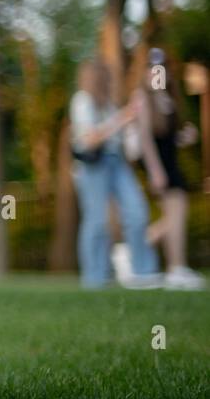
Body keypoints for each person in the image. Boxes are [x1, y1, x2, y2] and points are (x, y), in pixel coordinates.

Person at [69, 59, 161, 288]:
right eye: (106, 78)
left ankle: (143, 272)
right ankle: (94, 279)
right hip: (92, 167)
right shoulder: (82, 101)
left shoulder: (108, 104)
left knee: (137, 211)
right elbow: (90, 140)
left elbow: (120, 140)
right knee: (97, 222)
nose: (109, 83)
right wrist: (123, 118)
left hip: (116, 162)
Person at [132, 48, 204, 290]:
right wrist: (155, 171)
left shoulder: (168, 98)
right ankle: (173, 265)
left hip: (170, 161)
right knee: (176, 213)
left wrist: (185, 137)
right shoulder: (142, 98)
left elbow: (168, 137)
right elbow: (145, 138)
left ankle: (171, 264)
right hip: (159, 165)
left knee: (175, 216)